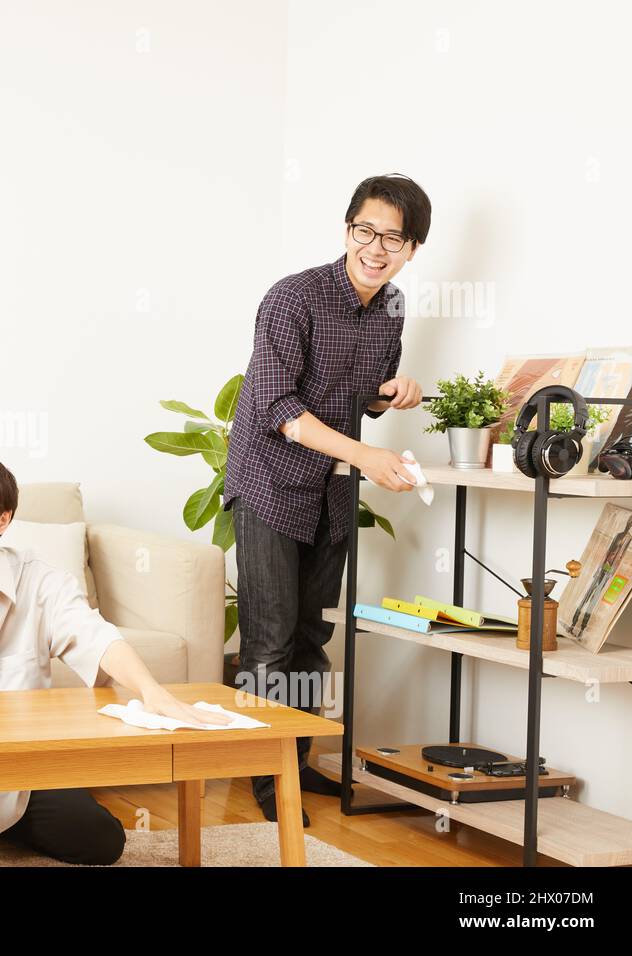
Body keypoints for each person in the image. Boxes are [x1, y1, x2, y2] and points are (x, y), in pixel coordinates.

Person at [0, 451, 230, 867]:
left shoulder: (42, 581)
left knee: (101, 842)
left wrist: (151, 692)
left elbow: (96, 637)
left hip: (12, 771)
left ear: (4, 519)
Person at [222, 174, 430, 826]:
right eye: (365, 230)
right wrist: (367, 453)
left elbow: (358, 394)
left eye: (392, 238)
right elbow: (280, 407)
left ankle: (298, 761)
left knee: (313, 638)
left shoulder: (392, 306)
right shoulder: (293, 299)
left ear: (411, 249)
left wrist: (391, 393)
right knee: (269, 642)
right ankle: (264, 781)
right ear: (347, 230)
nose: (376, 246)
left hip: (330, 491)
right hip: (269, 482)